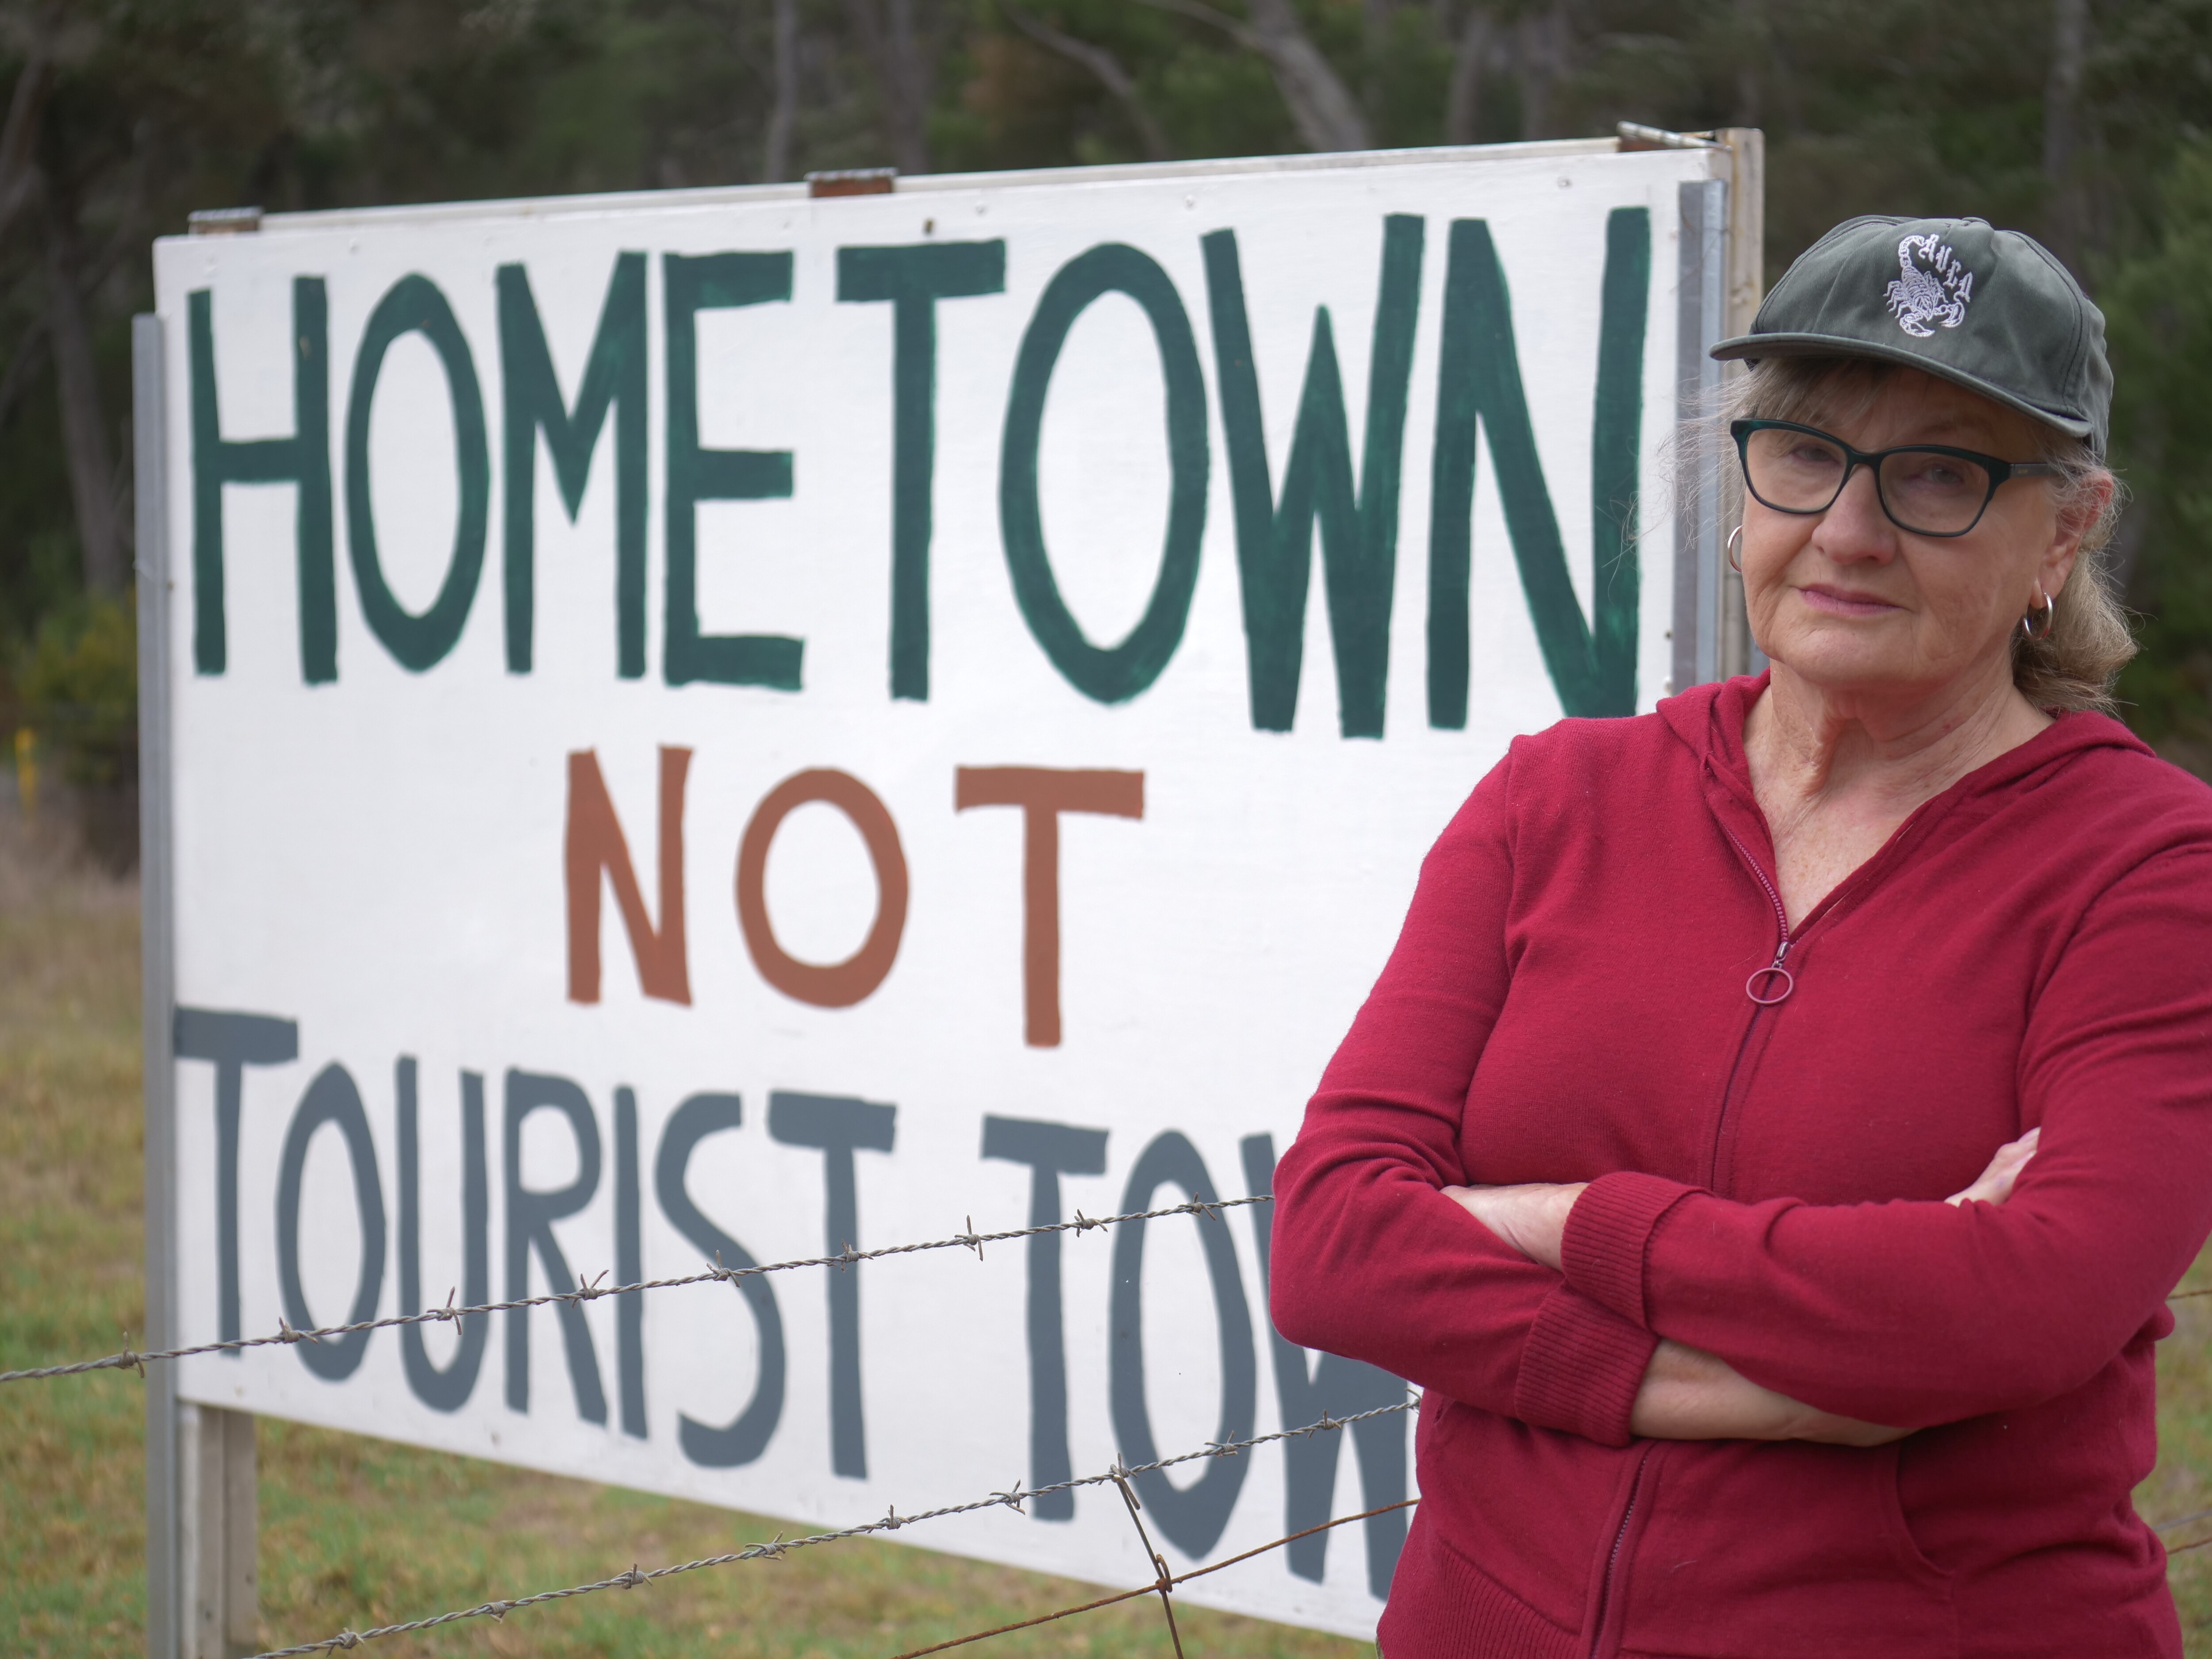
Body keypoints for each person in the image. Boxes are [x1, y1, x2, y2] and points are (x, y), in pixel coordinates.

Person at [1269, 215, 2212, 1658]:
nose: (1849, 530)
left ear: (2067, 529)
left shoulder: (2149, 868)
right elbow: (1331, 1241)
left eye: (1941, 474)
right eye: (1806, 454)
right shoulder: (1557, 801)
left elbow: (2029, 1308)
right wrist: (1760, 1386)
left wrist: (1560, 1220)